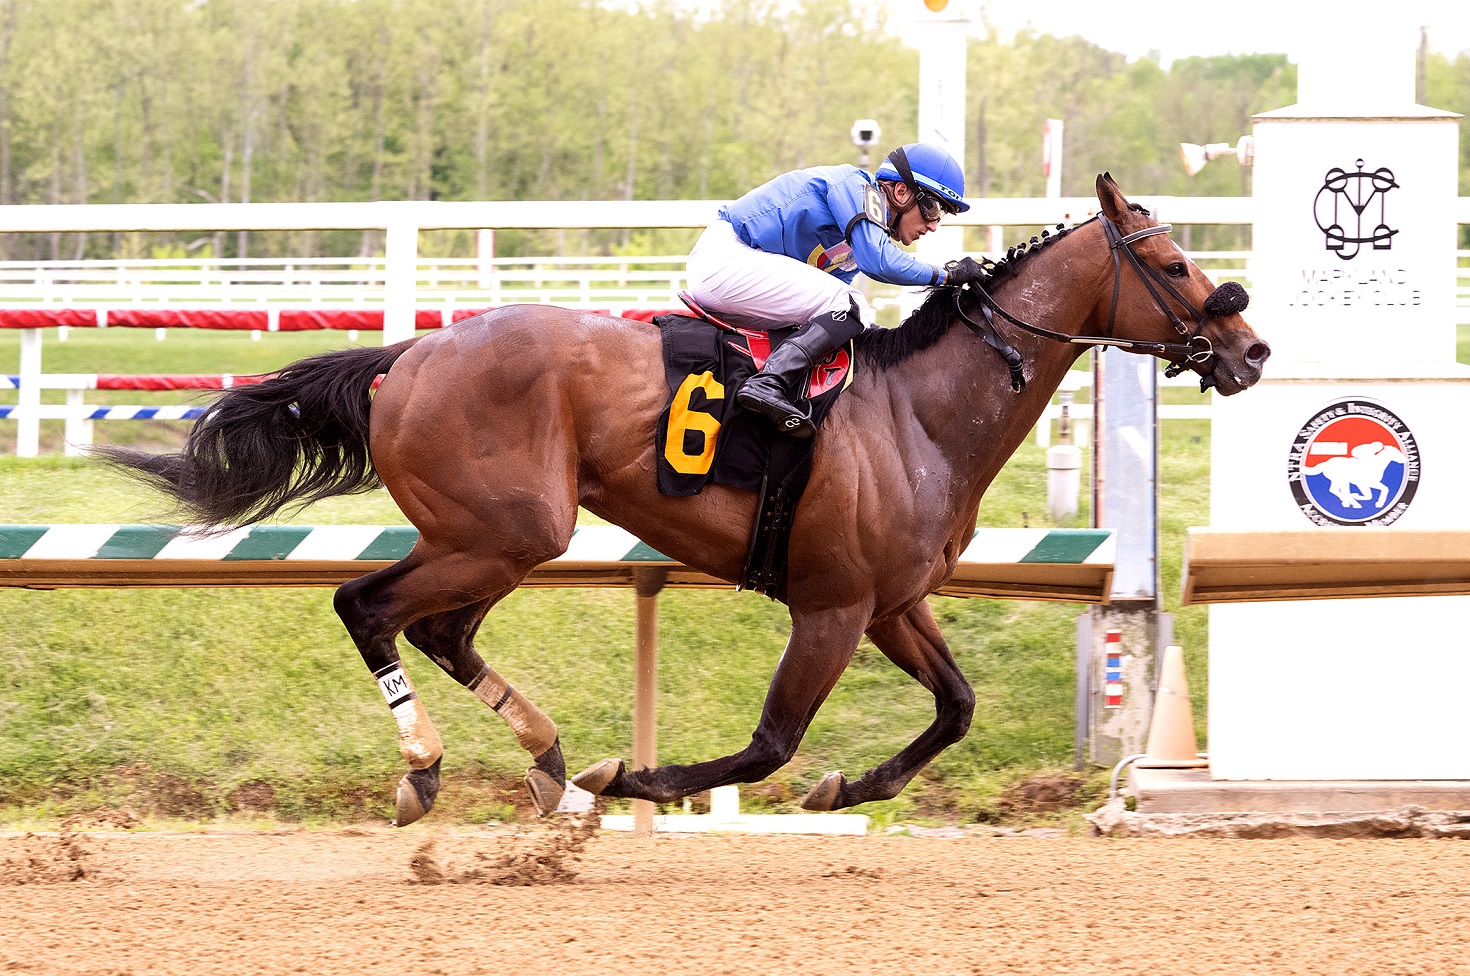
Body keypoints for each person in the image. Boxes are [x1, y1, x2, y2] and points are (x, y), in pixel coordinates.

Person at [684, 142, 985, 438]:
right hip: (725, 258)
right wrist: (945, 275)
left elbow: (836, 315)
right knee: (852, 304)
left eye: (941, 215)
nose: (933, 225)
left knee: (850, 315)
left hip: (734, 275)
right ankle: (767, 383)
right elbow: (879, 263)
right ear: (901, 191)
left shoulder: (863, 231)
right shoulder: (854, 187)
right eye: (932, 208)